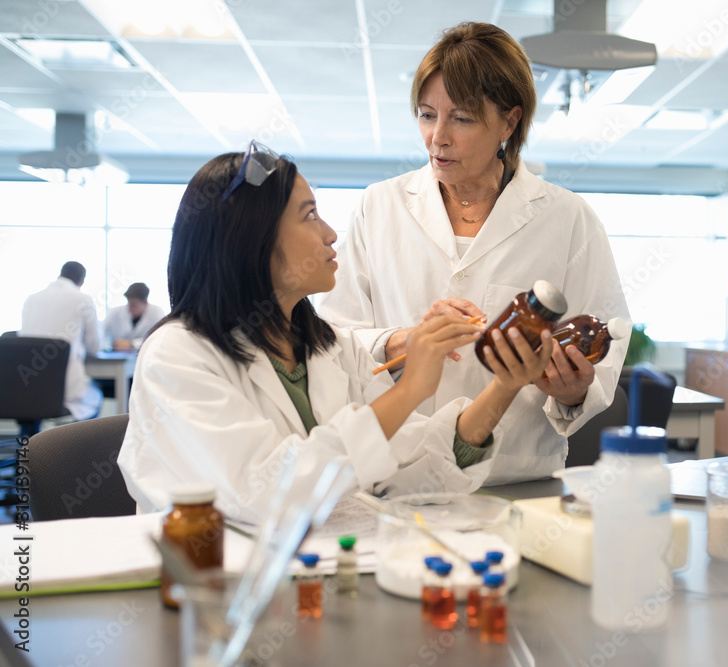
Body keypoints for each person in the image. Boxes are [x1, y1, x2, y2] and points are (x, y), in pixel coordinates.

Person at [117, 141, 552, 524]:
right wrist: (410, 389)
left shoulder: (329, 347)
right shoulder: (176, 357)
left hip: (319, 579)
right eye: (310, 216)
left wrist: (505, 386)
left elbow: (410, 471)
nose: (330, 234)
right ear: (251, 238)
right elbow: (268, 494)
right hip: (210, 594)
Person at [318, 22, 630, 484]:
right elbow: (333, 341)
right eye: (427, 115)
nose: (437, 137)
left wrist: (573, 390)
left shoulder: (568, 219)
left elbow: (607, 338)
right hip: (397, 475)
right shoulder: (379, 207)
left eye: (461, 118)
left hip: (515, 478)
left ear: (509, 120)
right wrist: (405, 340)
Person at [20, 261, 103, 425]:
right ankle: (80, 448)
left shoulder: (31, 299)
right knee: (96, 396)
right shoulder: (83, 299)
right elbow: (95, 346)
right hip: (64, 391)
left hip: (26, 386)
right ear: (81, 282)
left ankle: (28, 444)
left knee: (32, 406)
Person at [103, 282, 165, 350]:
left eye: (134, 305)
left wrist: (132, 344)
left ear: (145, 303)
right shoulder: (114, 312)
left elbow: (159, 338)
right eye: (129, 303)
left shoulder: (157, 312)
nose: (130, 309)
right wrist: (112, 343)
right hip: (116, 356)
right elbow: (101, 334)